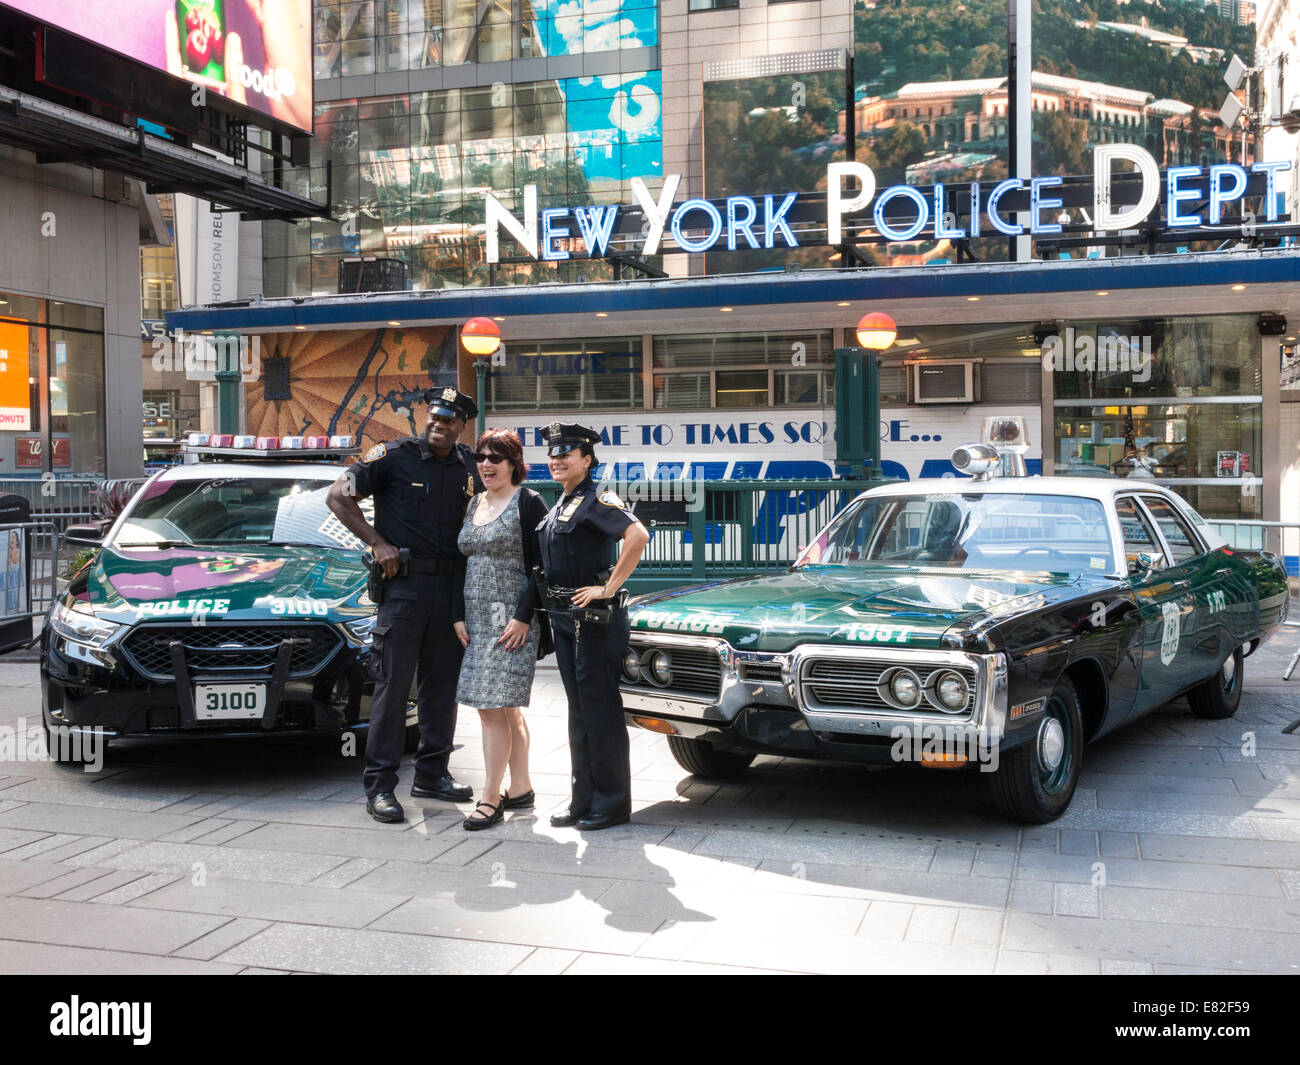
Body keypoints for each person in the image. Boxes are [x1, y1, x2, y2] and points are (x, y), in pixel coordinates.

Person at [326, 386, 482, 824]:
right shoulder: (393, 455)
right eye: (434, 416)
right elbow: (338, 496)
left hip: (451, 591)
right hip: (404, 588)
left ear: (461, 425)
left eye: (448, 419)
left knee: (442, 689)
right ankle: (379, 786)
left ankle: (433, 774)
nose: (439, 423)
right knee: (393, 689)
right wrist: (378, 543)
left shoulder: (470, 465)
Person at [536, 422, 650, 831]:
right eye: (553, 454)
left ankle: (612, 803)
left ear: (586, 460)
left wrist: (607, 587)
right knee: (579, 712)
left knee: (600, 711)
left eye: (566, 454)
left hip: (594, 621)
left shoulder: (595, 498)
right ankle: (582, 798)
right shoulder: (562, 501)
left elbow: (637, 535)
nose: (557, 460)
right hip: (567, 618)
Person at [453, 429, 549, 830]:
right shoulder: (474, 501)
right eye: (481, 457)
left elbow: (543, 565)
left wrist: (524, 616)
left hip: (512, 623)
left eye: (496, 458)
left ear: (514, 464)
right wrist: (456, 613)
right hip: (476, 622)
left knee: (490, 708)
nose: (486, 464)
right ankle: (521, 786)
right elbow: (461, 562)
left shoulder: (528, 502)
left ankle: (490, 797)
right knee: (504, 707)